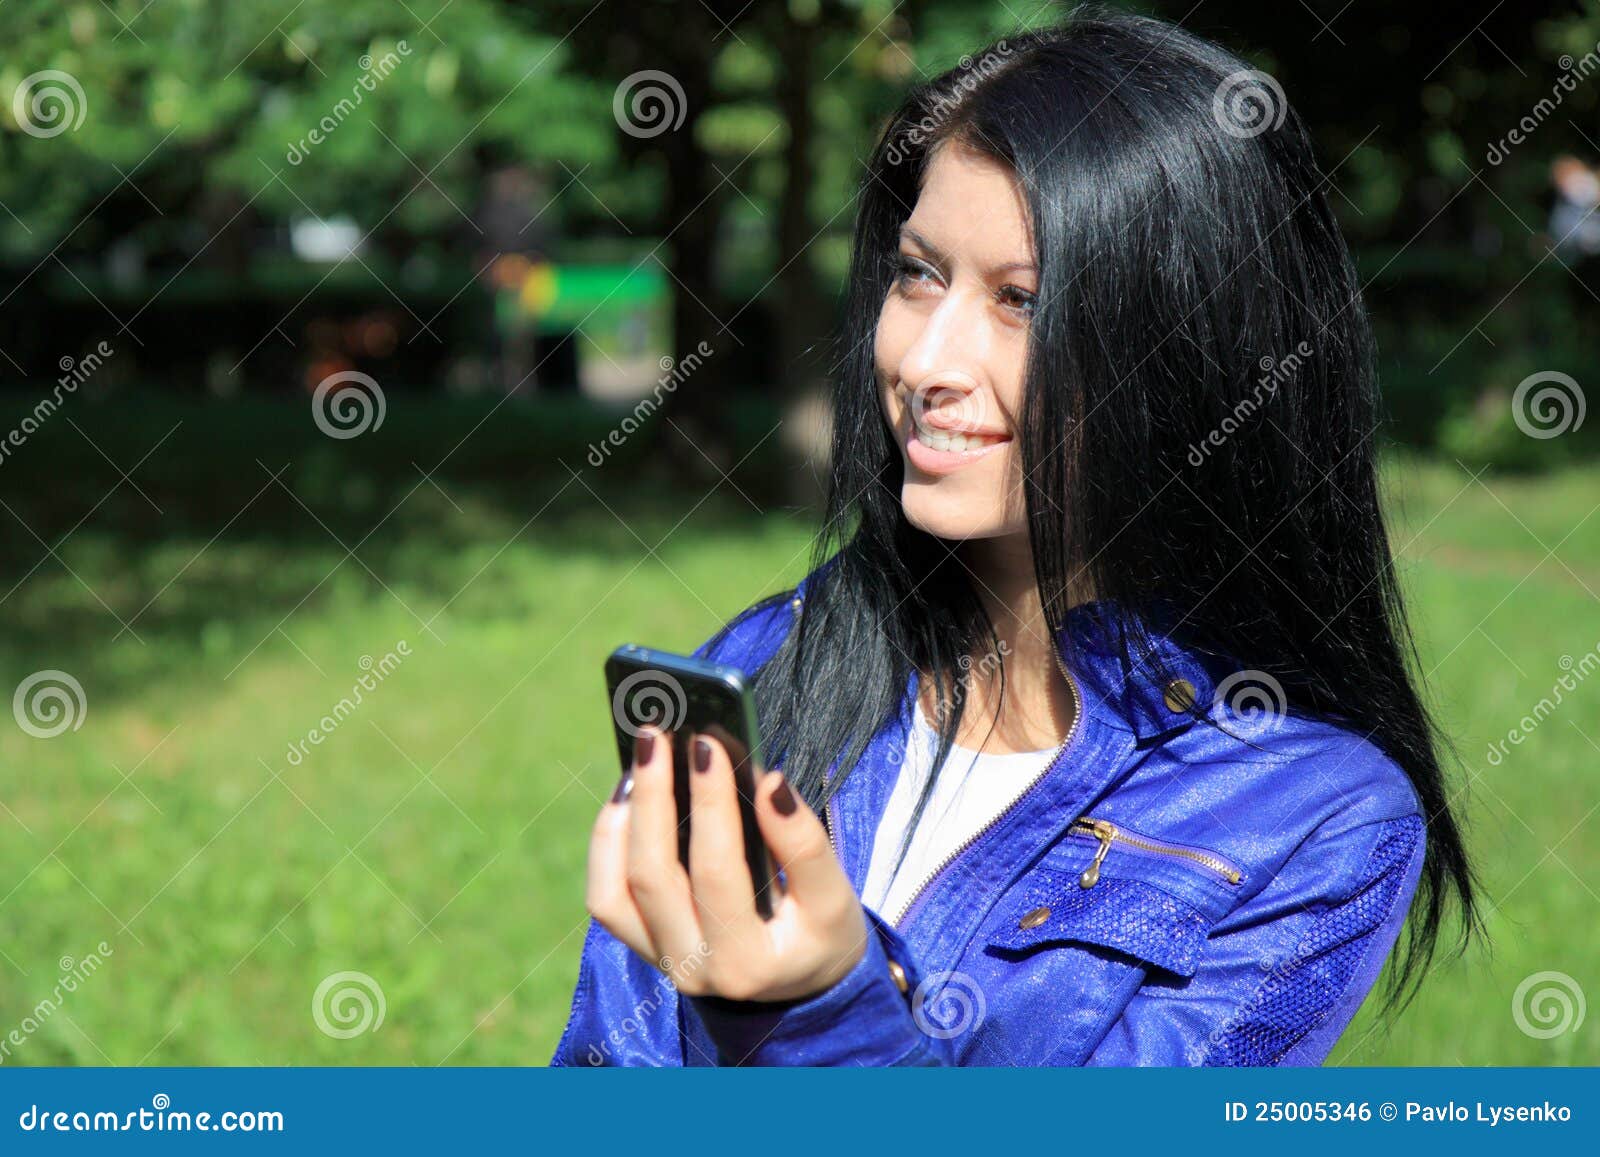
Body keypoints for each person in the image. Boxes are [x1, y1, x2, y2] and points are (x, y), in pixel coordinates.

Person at [552, 6, 1480, 1067]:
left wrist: (814, 1011)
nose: (926, 360)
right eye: (917, 273)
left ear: (1193, 349)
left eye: (1022, 301)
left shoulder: (1314, 817)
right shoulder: (761, 666)